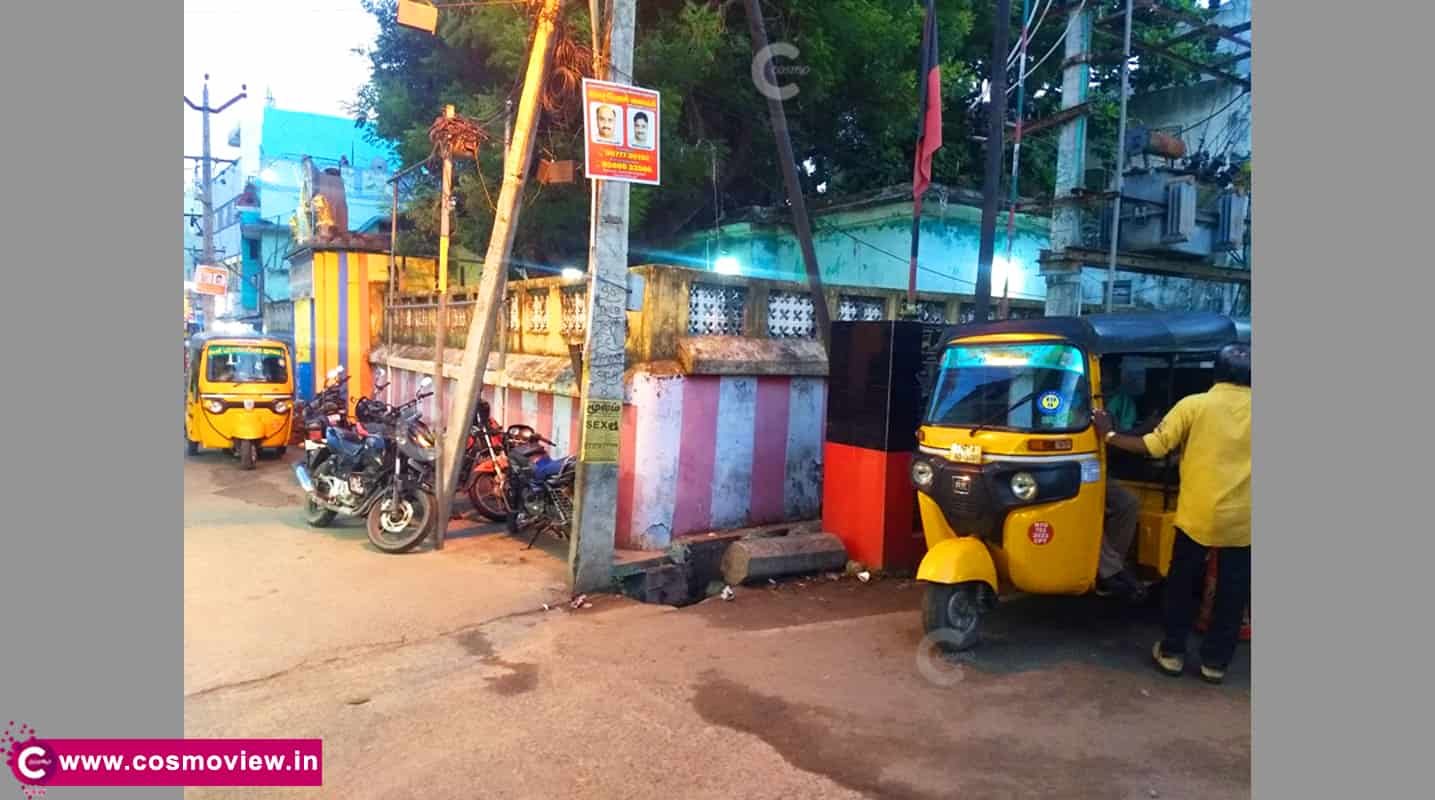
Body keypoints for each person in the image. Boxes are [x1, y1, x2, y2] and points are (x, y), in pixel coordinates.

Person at [1094, 343, 1251, 684]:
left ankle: (1172, 653)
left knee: (1180, 584)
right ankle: (1215, 663)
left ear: (1217, 373)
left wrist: (1107, 433)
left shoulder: (1194, 405)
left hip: (1197, 516)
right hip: (1244, 522)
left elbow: (1154, 446)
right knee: (1232, 592)